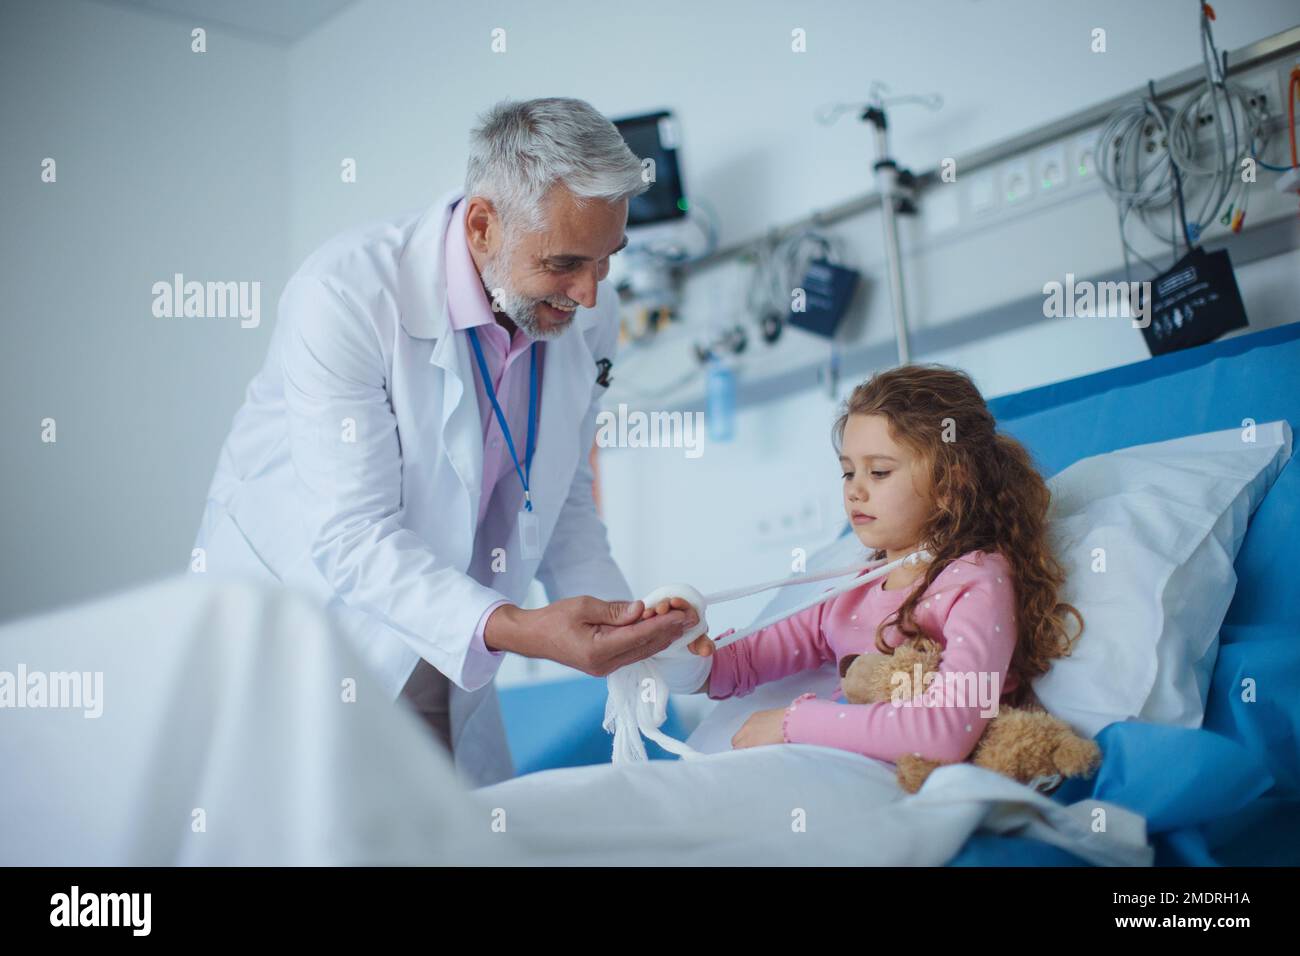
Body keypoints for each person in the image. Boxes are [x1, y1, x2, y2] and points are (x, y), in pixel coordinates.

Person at [191, 97, 698, 787]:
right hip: (311, 622)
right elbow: (353, 537)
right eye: (565, 263)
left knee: (453, 826)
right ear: (484, 224)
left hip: (453, 621)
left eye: (608, 260)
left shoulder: (585, 311)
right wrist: (520, 627)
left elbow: (561, 503)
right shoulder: (346, 295)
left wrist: (632, 634)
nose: (587, 293)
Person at [642, 364, 1082, 763]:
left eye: (880, 472)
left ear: (951, 482)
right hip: (843, 763)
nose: (855, 491)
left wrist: (792, 723)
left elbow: (946, 732)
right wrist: (681, 645)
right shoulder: (853, 588)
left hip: (906, 774)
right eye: (848, 472)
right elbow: (735, 667)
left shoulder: (977, 583)